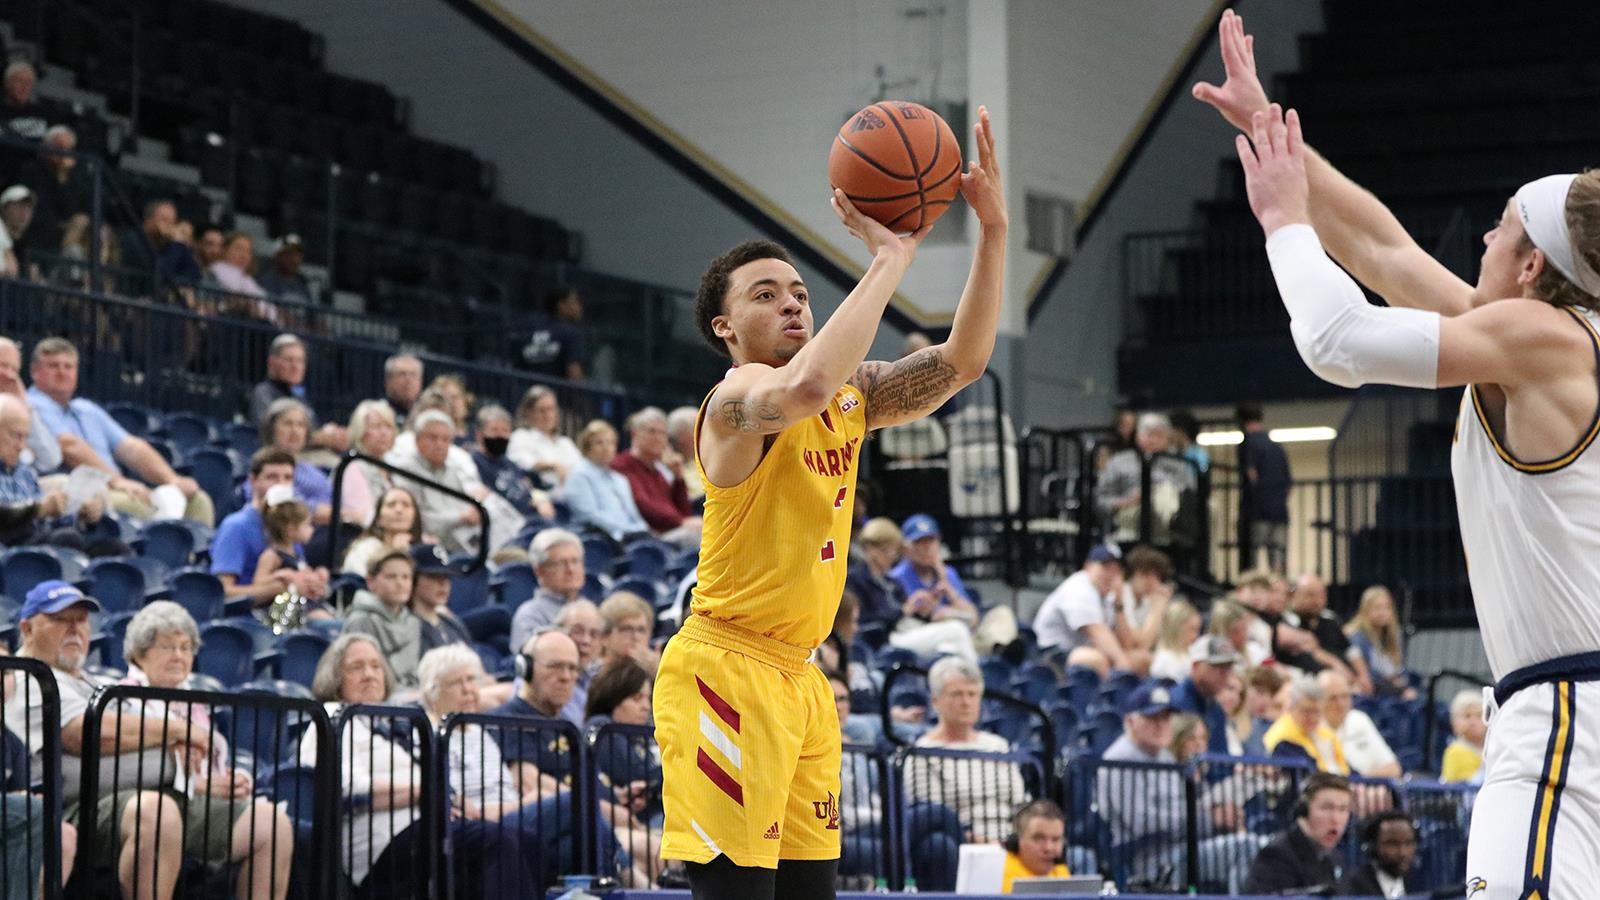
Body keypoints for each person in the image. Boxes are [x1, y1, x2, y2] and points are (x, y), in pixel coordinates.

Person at [1198, 11, 1600, 893]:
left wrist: (1282, 221)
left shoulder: (1544, 342)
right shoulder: (1547, 346)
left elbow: (1337, 340)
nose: (1484, 239)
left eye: (1499, 228)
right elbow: (1384, 249)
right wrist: (1268, 127)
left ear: (1532, 266)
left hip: (1574, 715)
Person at [656, 106, 1004, 900]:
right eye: (766, 294)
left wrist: (993, 231)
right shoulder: (735, 402)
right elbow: (806, 385)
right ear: (725, 327)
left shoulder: (853, 397)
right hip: (726, 668)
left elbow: (963, 361)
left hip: (803, 678)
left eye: (800, 292)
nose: (792, 304)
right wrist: (891, 256)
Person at [4, 582, 209, 900]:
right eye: (61, 620)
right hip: (69, 807)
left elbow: (130, 729)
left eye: (81, 621)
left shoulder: (93, 682)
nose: (74, 629)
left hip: (127, 796)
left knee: (266, 822)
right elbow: (89, 733)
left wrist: (170, 739)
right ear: (28, 629)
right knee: (155, 812)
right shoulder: (26, 678)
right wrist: (176, 733)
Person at [302, 634, 527, 894]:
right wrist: (429, 792)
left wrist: (446, 798)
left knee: (526, 839)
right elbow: (346, 788)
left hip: (429, 827)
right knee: (498, 839)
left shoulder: (391, 723)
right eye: (356, 667)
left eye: (376, 666)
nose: (369, 675)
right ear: (334, 677)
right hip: (383, 840)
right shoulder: (333, 717)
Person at [117, 602, 295, 899]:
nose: (178, 655)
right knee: (160, 815)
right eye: (167, 646)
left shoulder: (194, 702)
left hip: (201, 807)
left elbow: (209, 766)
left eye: (186, 648)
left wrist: (231, 781)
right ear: (139, 653)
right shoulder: (122, 699)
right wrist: (201, 785)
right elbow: (128, 771)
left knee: (273, 825)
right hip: (151, 804)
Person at [27, 337, 213, 524]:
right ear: (34, 371)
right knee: (137, 506)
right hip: (75, 491)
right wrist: (117, 481)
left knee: (198, 501)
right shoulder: (31, 404)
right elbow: (68, 445)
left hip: (114, 488)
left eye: (68, 367)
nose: (62, 372)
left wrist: (173, 480)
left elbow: (132, 447)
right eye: (53, 366)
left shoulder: (87, 408)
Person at [1097, 682, 1256, 889]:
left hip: (1184, 848)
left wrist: (1216, 812)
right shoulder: (1119, 759)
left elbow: (1182, 805)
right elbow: (1141, 822)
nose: (1161, 725)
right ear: (1130, 721)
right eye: (1152, 718)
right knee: (1245, 847)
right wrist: (1208, 819)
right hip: (1150, 860)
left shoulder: (1163, 755)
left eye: (1165, 718)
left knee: (1258, 844)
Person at [908, 658, 1028, 843]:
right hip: (963, 844)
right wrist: (987, 843)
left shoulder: (998, 745)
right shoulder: (922, 753)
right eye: (956, 694)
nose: (966, 702)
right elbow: (935, 818)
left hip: (1011, 841)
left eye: (972, 694)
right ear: (936, 701)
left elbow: (1020, 803)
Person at [211, 449, 329, 604]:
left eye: (287, 478)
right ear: (253, 481)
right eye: (272, 477)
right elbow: (222, 592)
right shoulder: (236, 526)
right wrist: (284, 587)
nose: (281, 484)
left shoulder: (290, 526)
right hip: (252, 614)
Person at [0, 393, 115, 553]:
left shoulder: (25, 473)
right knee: (67, 539)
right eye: (15, 436)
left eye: (25, 438)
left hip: (37, 544)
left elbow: (45, 522)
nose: (21, 446)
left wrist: (81, 514)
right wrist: (37, 509)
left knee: (113, 548)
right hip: (10, 551)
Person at [388, 409, 496, 554]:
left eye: (445, 439)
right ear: (417, 440)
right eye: (432, 438)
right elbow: (415, 519)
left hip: (466, 544)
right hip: (429, 547)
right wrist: (460, 518)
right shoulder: (405, 470)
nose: (439, 444)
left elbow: (467, 506)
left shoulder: (454, 469)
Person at [1094, 413, 1198, 547]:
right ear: (1138, 436)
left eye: (1159, 435)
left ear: (1168, 438)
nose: (1153, 440)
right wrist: (1128, 501)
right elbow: (1100, 501)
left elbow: (1191, 494)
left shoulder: (1179, 464)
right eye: (1149, 434)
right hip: (1131, 515)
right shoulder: (1119, 462)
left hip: (1173, 520)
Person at [1033, 544, 1138, 671]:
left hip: (1076, 653)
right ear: (1088, 567)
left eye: (1117, 570)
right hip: (1048, 656)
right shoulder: (1079, 588)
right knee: (1095, 659)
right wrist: (1125, 667)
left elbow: (1127, 644)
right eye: (1106, 567)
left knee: (1140, 658)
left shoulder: (1109, 596)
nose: (1111, 574)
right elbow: (1098, 634)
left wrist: (1118, 604)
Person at [1242, 773, 1352, 893]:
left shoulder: (1335, 859)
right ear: (1304, 810)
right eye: (1326, 808)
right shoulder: (1277, 857)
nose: (1336, 819)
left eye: (1343, 809)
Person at [610, 407, 701, 547]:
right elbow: (644, 506)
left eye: (663, 433)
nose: (658, 438)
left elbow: (685, 511)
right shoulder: (622, 465)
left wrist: (678, 479)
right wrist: (681, 522)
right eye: (652, 432)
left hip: (673, 530)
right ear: (635, 434)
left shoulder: (659, 470)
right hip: (649, 537)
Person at [343, 548, 424, 690]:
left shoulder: (413, 622)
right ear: (371, 582)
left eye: (406, 577)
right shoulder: (361, 620)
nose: (400, 583)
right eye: (391, 577)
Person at [564, 419, 652, 544]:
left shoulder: (620, 479)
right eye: (599, 443)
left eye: (611, 443)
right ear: (587, 447)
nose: (606, 448)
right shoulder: (579, 475)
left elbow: (634, 514)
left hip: (632, 536)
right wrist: (629, 530)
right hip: (601, 539)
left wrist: (643, 529)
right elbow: (590, 516)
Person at [471, 404, 556, 522]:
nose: (500, 436)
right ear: (479, 435)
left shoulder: (510, 464)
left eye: (505, 431)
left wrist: (542, 500)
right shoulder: (473, 462)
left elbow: (531, 488)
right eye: (494, 430)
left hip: (535, 519)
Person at [510, 528, 587, 653]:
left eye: (575, 561)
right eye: (561, 563)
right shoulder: (530, 615)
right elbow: (529, 660)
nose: (571, 570)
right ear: (539, 571)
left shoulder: (590, 610)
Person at [17, 125, 90, 256]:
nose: (64, 153)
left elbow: (71, 210)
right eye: (59, 147)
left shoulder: (75, 177)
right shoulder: (31, 170)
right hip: (37, 227)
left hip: (65, 230)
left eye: (68, 149)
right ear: (46, 147)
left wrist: (62, 176)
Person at [1235, 403, 1290, 573]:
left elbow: (1251, 473)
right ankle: (1278, 586)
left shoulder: (1248, 444)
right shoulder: (1277, 447)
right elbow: (1288, 482)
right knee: (1278, 559)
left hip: (1257, 510)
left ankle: (1252, 587)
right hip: (1279, 510)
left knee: (1251, 559)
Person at [1288, 573, 1368, 689]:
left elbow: (1350, 650)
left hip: (1348, 682)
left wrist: (1363, 676)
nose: (1316, 601)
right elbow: (1311, 650)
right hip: (1313, 683)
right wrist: (1337, 665)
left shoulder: (1331, 619)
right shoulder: (1288, 622)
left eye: (1321, 595)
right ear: (1293, 595)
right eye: (1310, 595)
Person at [1320, 668, 1401, 779]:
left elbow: (1394, 769)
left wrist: (1360, 781)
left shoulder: (1359, 719)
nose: (1340, 704)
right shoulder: (1313, 727)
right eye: (1333, 698)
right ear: (1319, 701)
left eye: (1345, 696)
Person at [1263, 675, 1348, 774]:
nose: (1313, 718)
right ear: (1291, 708)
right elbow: (1310, 776)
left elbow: (1346, 769)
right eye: (1306, 711)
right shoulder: (1283, 741)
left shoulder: (1324, 734)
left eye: (1317, 711)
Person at [1169, 635, 1239, 755]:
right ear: (1195, 666)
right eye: (1218, 667)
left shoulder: (1217, 709)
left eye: (1229, 668)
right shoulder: (1175, 703)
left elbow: (1221, 760)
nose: (1225, 674)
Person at [506, 385, 582, 490]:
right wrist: (553, 466)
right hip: (541, 493)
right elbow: (522, 463)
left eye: (551, 409)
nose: (548, 415)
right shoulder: (521, 436)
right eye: (542, 410)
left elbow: (581, 469)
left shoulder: (565, 442)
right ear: (529, 412)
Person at [1344, 585, 1415, 697]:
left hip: (1396, 688)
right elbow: (1366, 675)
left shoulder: (1395, 634)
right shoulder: (1357, 637)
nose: (1382, 613)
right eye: (1377, 608)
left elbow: (1402, 668)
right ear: (1365, 610)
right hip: (1374, 692)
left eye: (1387, 608)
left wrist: (1401, 682)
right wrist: (1395, 687)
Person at [341, 486, 426, 578]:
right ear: (378, 518)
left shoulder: (421, 553)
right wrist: (396, 552)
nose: (399, 510)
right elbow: (364, 582)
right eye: (391, 505)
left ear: (415, 517)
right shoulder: (365, 549)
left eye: (406, 505)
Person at [409, 542, 474, 655]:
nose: (443, 584)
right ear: (413, 579)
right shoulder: (407, 627)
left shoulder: (454, 624)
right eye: (433, 577)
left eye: (447, 577)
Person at [1336, 810, 1417, 898]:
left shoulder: (1417, 883)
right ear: (1373, 847)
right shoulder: (1352, 887)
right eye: (1393, 844)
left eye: (1409, 843)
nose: (1403, 853)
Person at [519, 286, 590, 381]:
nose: (580, 306)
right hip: (556, 390)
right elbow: (574, 373)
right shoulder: (571, 333)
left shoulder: (529, 330)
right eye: (576, 301)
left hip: (528, 389)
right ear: (561, 305)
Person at [1000, 800, 1070, 893]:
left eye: (1056, 839)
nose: (1049, 848)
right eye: (1039, 838)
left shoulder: (1060, 871)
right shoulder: (1000, 877)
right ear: (1016, 841)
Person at [554, 599, 604, 727]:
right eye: (578, 631)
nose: (586, 641)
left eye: (594, 634)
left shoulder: (598, 682)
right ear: (558, 632)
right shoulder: (543, 676)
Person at [346, 399, 400, 501]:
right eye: (376, 426)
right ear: (361, 431)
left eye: (388, 426)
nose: (384, 433)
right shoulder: (352, 468)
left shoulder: (394, 467)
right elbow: (361, 510)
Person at [597, 590, 660, 676]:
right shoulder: (590, 674)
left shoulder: (655, 672)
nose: (636, 637)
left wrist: (658, 673)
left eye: (641, 630)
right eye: (627, 629)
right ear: (605, 636)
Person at [1441, 689, 1487, 784]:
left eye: (1479, 716)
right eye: (1467, 716)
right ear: (1454, 721)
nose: (1473, 722)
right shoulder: (1455, 751)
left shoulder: (1493, 748)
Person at [1149, 600, 1200, 682]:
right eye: (1192, 629)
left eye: (1197, 630)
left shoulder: (1192, 653)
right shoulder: (1164, 661)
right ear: (1176, 629)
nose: (1196, 636)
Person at [256, 234, 313, 303]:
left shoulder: (302, 284)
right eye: (289, 254)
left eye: (297, 255)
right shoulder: (265, 282)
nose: (294, 259)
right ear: (277, 257)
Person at [382, 354, 423, 426]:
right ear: (388, 381)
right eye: (402, 374)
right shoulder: (379, 413)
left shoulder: (426, 415)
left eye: (413, 374)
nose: (408, 380)